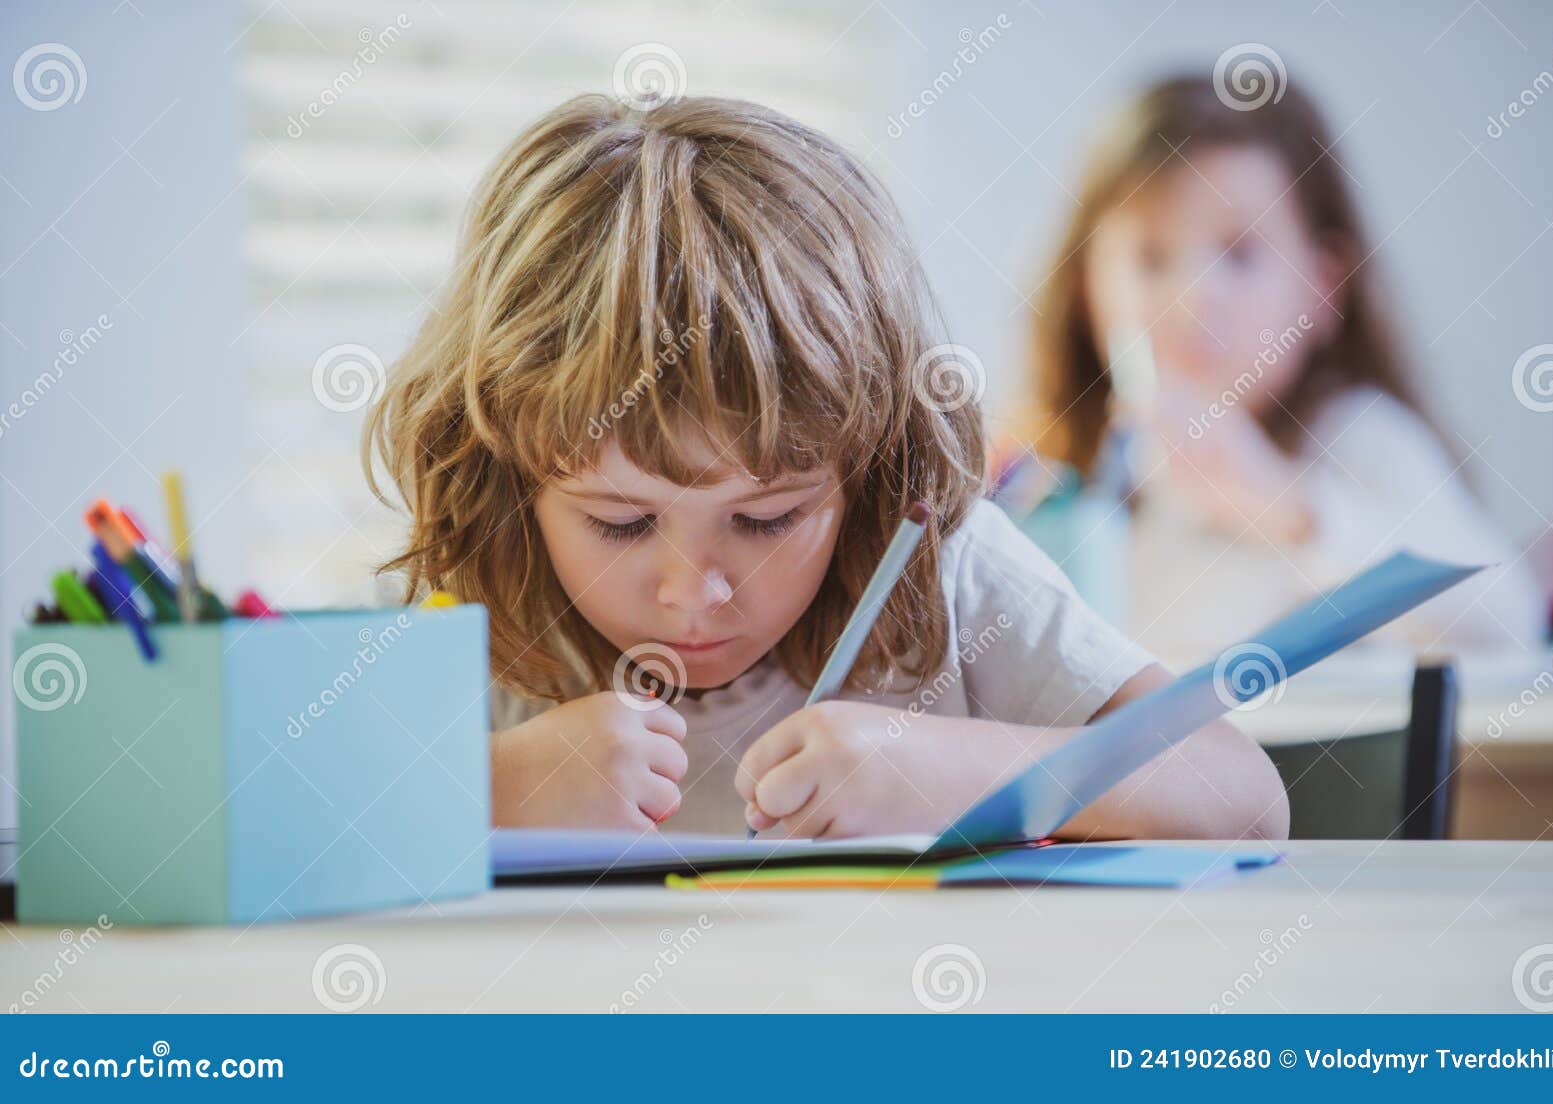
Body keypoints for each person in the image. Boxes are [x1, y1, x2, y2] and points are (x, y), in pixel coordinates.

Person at [365, 94, 1287, 840]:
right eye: (622, 522)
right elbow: (262, 838)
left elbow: (1240, 792)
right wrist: (489, 793)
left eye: (767, 519)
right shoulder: (469, 617)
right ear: (508, 482)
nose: (697, 595)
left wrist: (944, 770)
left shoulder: (942, 572)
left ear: (871, 471)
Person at [1025, 75, 1545, 659]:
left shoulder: (1357, 440)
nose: (1191, 300)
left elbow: (1506, 621)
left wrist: (1286, 508)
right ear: (1084, 288)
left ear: (1324, 290)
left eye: (1241, 254)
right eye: (1150, 258)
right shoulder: (1058, 484)